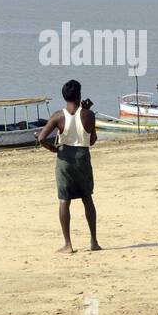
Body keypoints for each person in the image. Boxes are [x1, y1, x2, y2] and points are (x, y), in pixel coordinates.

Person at [37, 79, 100, 253]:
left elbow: (41, 138)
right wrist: (87, 110)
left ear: (65, 97)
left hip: (64, 158)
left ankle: (68, 244)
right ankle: (93, 242)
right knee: (87, 198)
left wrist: (53, 149)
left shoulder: (58, 116)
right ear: (79, 95)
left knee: (64, 200)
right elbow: (92, 140)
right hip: (83, 157)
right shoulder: (89, 115)